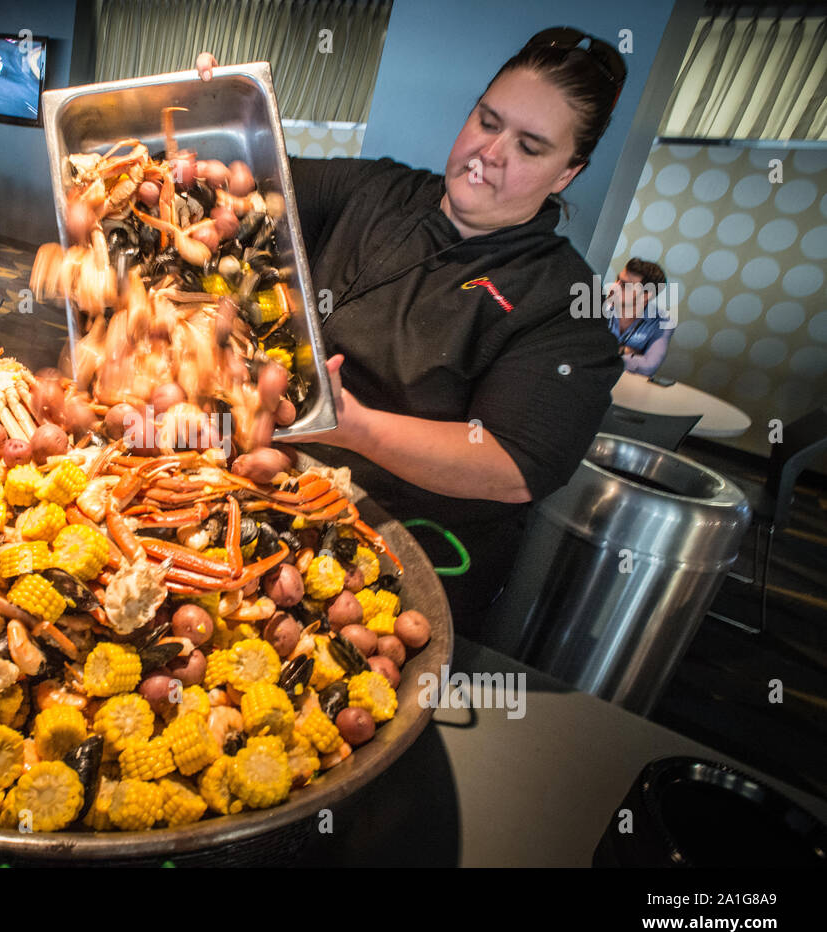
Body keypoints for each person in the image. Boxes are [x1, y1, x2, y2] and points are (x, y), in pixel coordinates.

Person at [196, 29, 625, 635]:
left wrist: (356, 427)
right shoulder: (379, 191)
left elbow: (514, 465)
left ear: (567, 174)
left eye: (529, 147)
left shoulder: (563, 301)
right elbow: (249, 189)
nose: (490, 153)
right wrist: (206, 112)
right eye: (487, 121)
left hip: (399, 562)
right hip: (258, 500)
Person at [604, 257, 672, 376]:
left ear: (646, 296)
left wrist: (602, 352)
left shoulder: (662, 321)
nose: (614, 287)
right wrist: (625, 351)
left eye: (624, 285)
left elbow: (649, 367)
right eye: (617, 279)